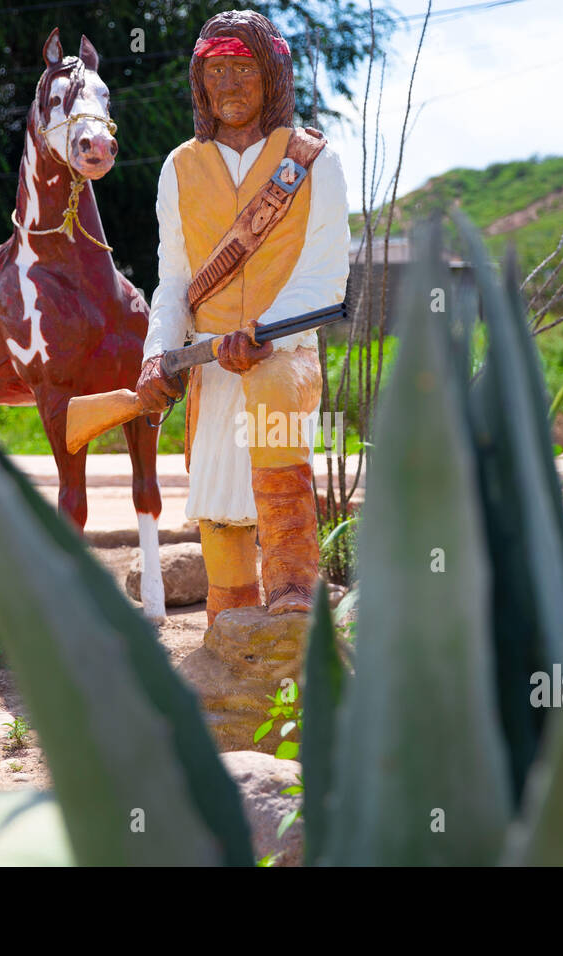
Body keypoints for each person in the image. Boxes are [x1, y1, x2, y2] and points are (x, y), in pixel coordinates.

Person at [134, 9, 349, 625]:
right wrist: (158, 354)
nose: (229, 85)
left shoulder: (312, 162)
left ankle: (291, 588)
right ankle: (227, 620)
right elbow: (173, 278)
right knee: (216, 494)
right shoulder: (178, 168)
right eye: (216, 71)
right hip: (208, 357)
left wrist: (264, 332)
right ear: (200, 83)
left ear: (271, 75)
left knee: (276, 413)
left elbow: (325, 273)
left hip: (284, 351)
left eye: (243, 69)